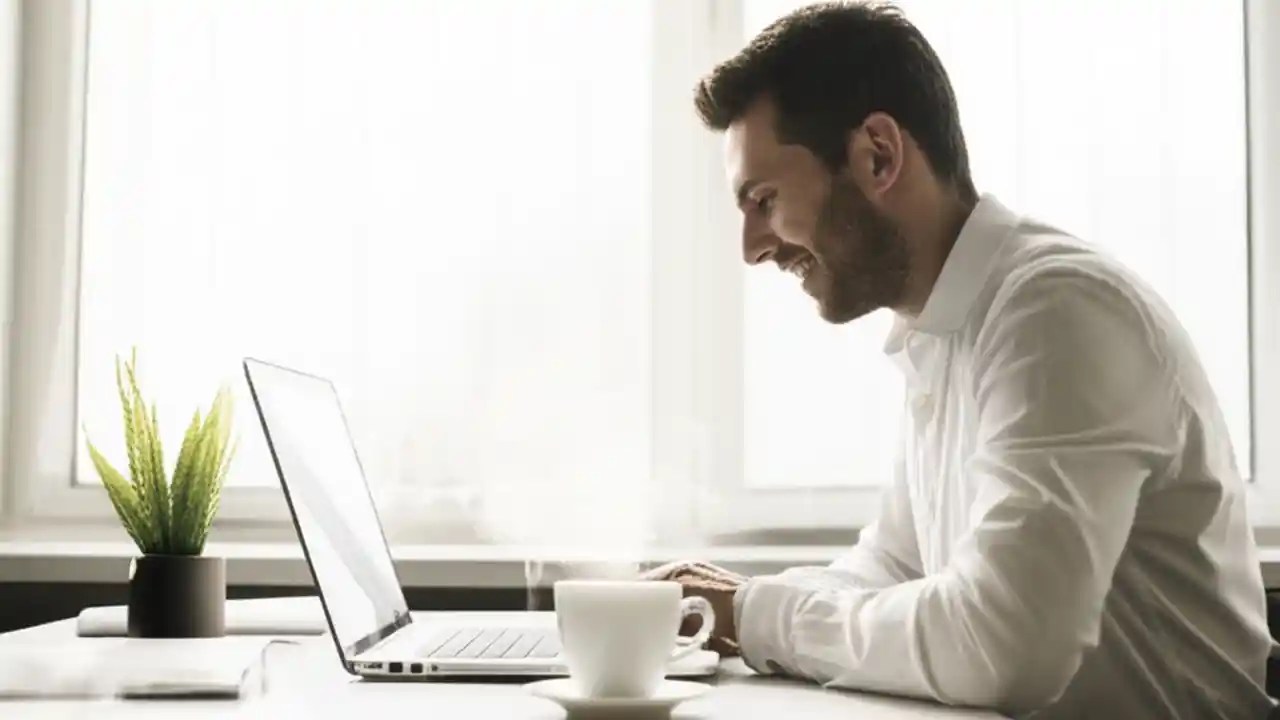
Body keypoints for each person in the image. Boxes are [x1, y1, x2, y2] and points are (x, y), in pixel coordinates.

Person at [645, 2, 1275, 718]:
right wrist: (731, 607)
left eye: (763, 199)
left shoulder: (1056, 311)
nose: (751, 247)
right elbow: (896, 568)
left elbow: (1005, 648)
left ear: (878, 156)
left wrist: (754, 614)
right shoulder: (943, 330)